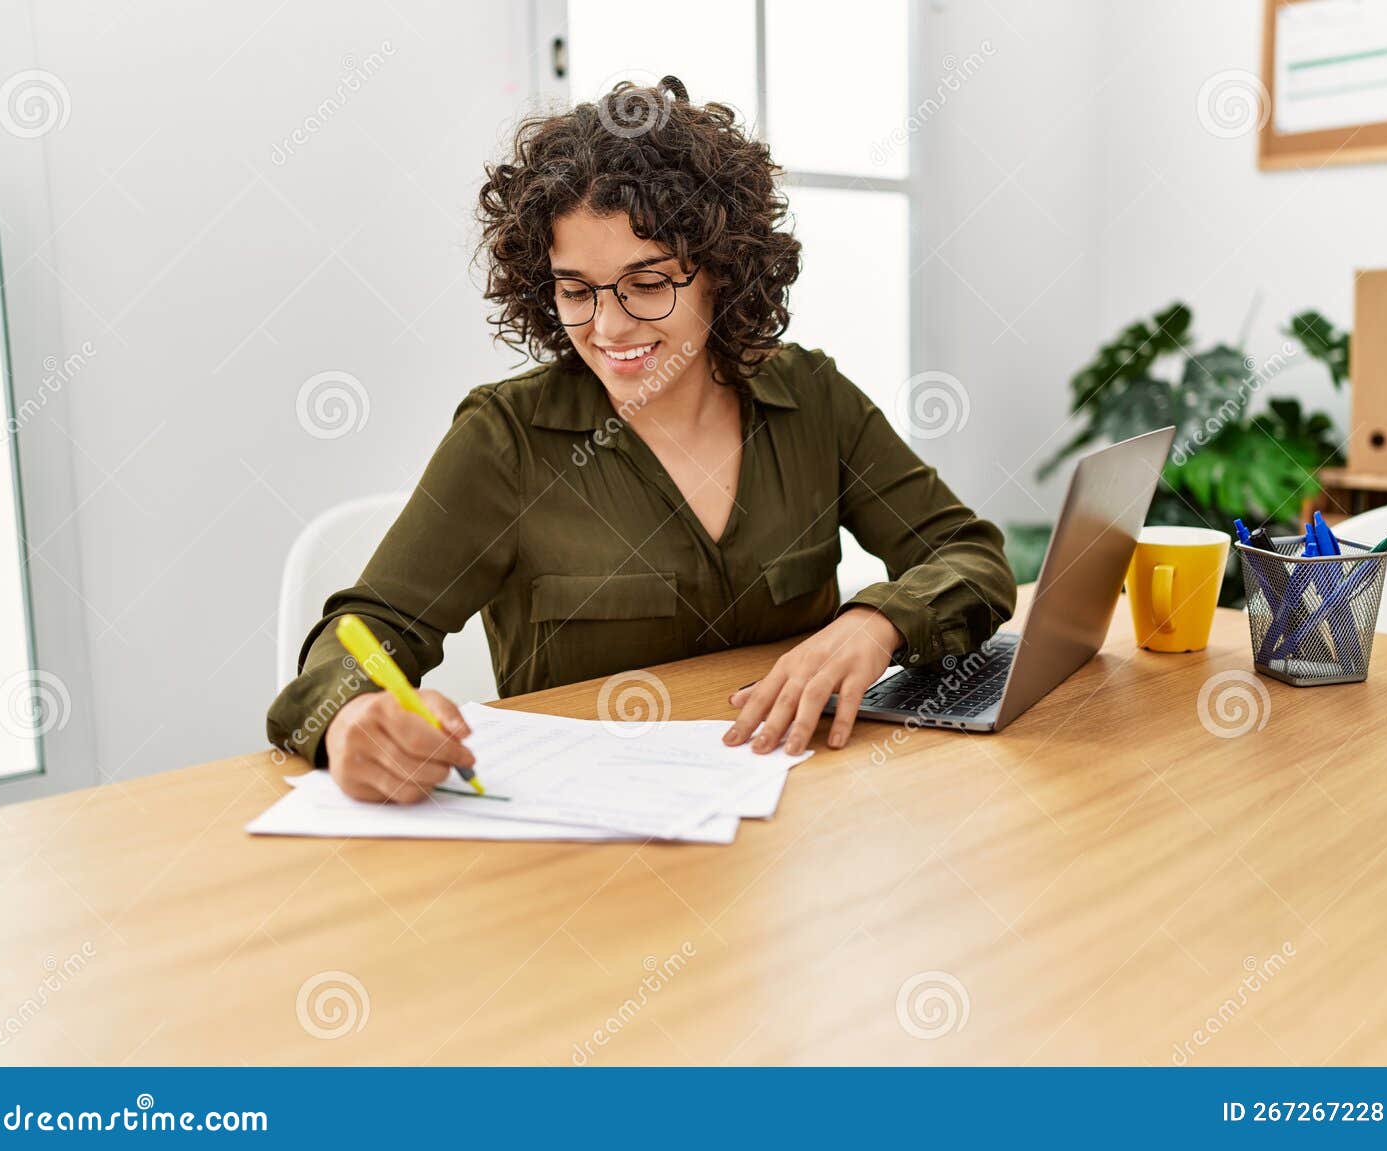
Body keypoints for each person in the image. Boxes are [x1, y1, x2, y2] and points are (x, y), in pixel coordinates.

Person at [266, 76, 1015, 804]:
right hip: (589, 851)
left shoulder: (810, 398)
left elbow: (969, 555)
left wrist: (875, 623)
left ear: (722, 273)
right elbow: (366, 629)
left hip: (796, 813)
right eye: (575, 290)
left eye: (647, 282)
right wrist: (347, 721)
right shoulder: (507, 440)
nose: (609, 327)